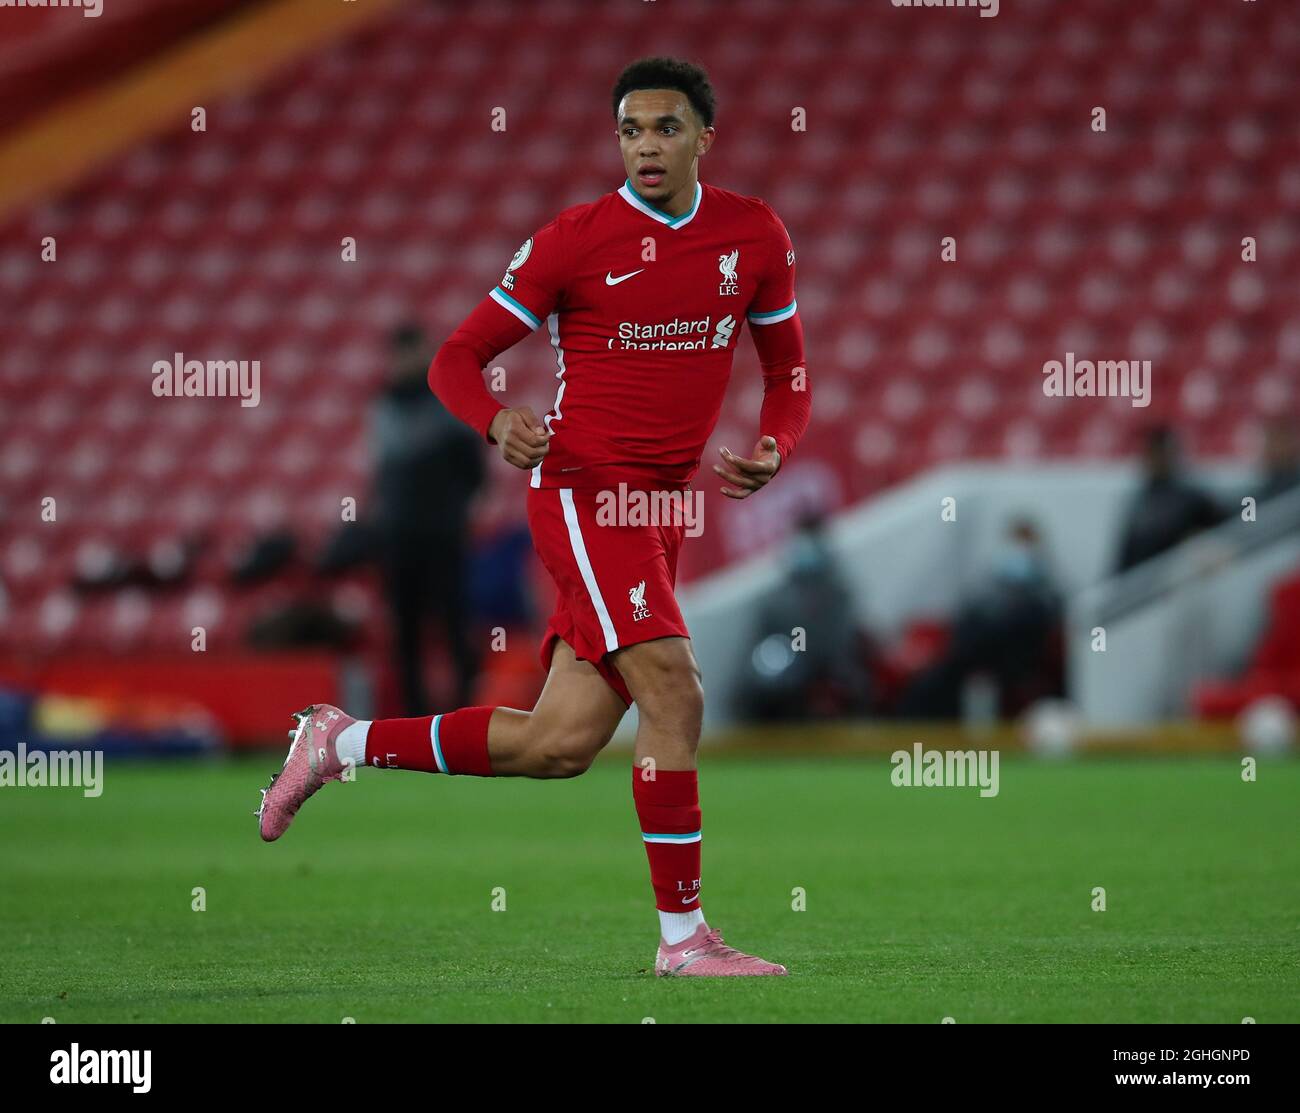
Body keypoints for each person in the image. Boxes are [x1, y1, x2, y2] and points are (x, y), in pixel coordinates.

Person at [257, 57, 811, 976]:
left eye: (666, 128)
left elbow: (790, 374)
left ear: (704, 137)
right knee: (675, 689)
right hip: (583, 491)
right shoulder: (573, 239)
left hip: (659, 508)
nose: (646, 146)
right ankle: (685, 941)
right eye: (630, 130)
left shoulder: (754, 236)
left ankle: (337, 739)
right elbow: (454, 358)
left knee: (557, 744)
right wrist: (495, 420)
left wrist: (775, 448)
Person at [371, 324, 484, 715]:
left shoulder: (445, 401)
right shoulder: (385, 405)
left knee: (454, 621)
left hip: (443, 534)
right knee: (407, 628)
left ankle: (465, 706)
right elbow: (382, 474)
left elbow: (474, 471)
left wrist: (453, 511)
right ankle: (413, 711)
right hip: (400, 535)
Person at [1115, 426, 1221, 573]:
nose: (1155, 460)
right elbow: (1124, 556)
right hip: (1137, 585)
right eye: (1151, 454)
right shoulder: (1139, 501)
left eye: (1160, 453)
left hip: (1171, 585)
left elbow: (1226, 528)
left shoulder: (1191, 500)